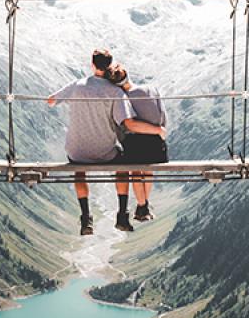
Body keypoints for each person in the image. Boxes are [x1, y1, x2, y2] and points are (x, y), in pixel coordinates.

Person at [46, 49, 164, 235]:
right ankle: (123, 215)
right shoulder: (115, 92)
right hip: (105, 152)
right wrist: (157, 130)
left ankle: (86, 218)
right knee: (124, 165)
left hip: (77, 151)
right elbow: (128, 123)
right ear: (109, 66)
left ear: (92, 64)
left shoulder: (77, 85)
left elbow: (51, 100)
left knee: (78, 169)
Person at [104, 64, 168, 225]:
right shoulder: (151, 89)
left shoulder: (121, 98)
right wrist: (158, 132)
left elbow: (128, 125)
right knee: (148, 171)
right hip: (157, 145)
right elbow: (163, 117)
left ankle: (142, 205)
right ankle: (144, 205)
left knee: (135, 171)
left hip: (135, 145)